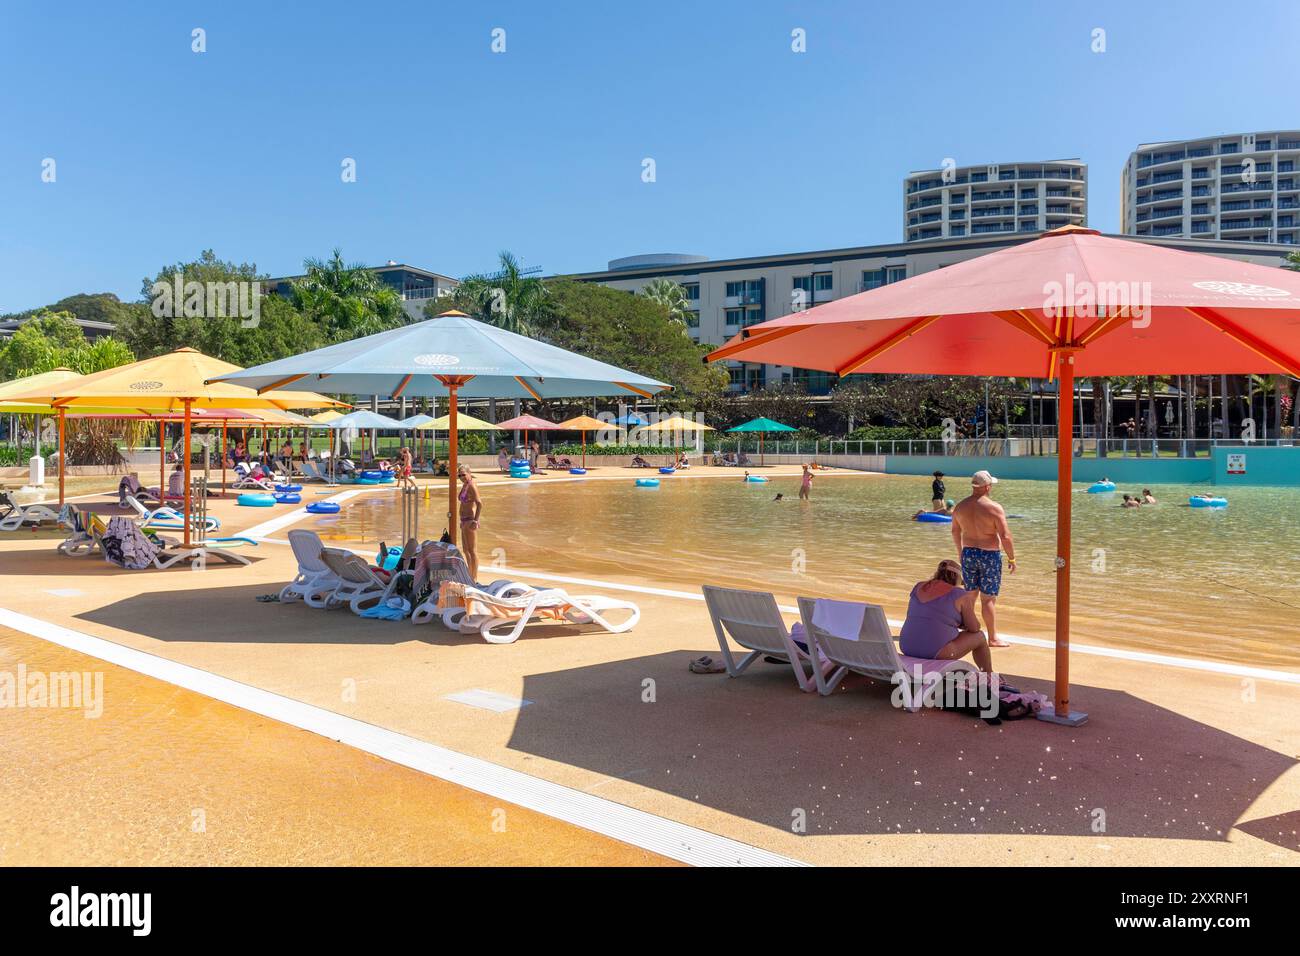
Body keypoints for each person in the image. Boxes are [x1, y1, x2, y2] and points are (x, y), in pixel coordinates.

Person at [951, 470, 1015, 649]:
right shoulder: (994, 508)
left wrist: (960, 552)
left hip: (968, 553)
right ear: (987, 486)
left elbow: (955, 531)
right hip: (989, 555)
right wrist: (1012, 558)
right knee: (988, 599)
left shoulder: (960, 507)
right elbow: (1005, 536)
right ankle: (992, 638)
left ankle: (969, 632)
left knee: (970, 595)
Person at [899, 559, 993, 673]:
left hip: (907, 646)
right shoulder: (960, 594)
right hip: (937, 652)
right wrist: (962, 624)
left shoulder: (918, 587)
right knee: (980, 636)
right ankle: (989, 676)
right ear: (955, 576)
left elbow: (927, 616)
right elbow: (974, 628)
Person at [457, 464, 482, 582]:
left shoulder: (472, 485)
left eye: (463, 474)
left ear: (469, 473)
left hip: (470, 520)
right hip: (463, 521)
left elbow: (479, 503)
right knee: (466, 550)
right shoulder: (465, 485)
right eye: (459, 475)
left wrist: (476, 521)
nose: (461, 477)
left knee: (472, 551)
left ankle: (474, 578)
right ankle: (469, 575)